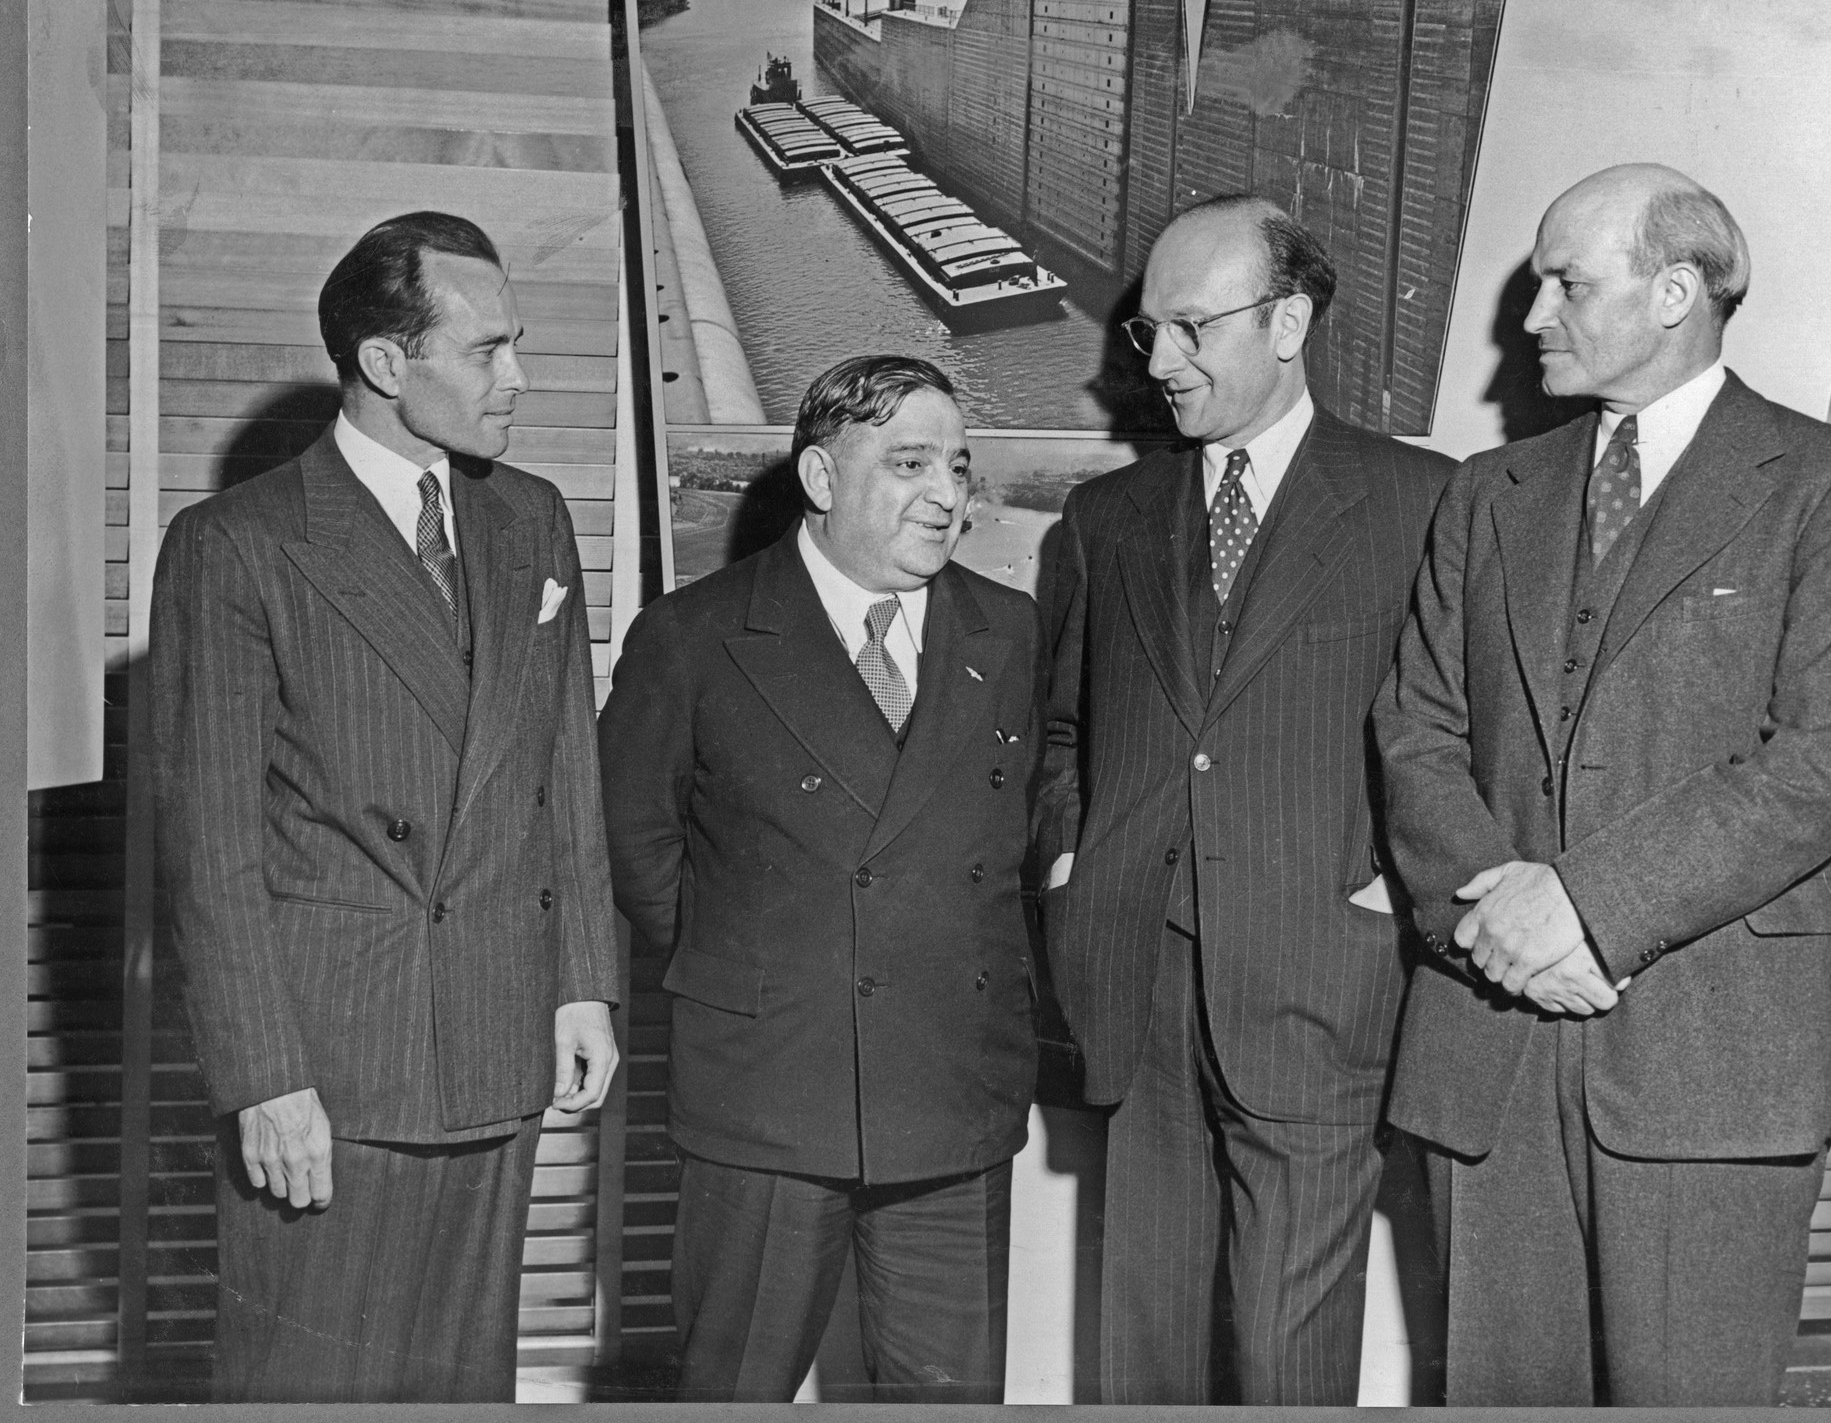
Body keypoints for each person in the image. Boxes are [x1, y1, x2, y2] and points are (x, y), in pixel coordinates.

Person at [1374, 163, 1831, 1405]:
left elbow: (1818, 760)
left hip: (1714, 1060)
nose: (1531, 317)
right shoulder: (1483, 492)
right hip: (1486, 1040)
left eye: (1566, 283)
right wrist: (1489, 920)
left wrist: (1578, 904)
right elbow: (1415, 728)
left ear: (1674, 293)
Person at [150, 210, 622, 1401]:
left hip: (493, 1036)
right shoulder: (236, 545)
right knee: (307, 1386)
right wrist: (263, 1075)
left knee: (462, 1386)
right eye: (488, 350)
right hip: (332, 1068)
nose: (519, 376)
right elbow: (209, 848)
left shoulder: (533, 521)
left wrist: (582, 978)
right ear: (384, 364)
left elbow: (562, 767)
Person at [1036, 196, 1452, 1404]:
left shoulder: (1419, 501)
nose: (1158, 361)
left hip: (1323, 976)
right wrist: (1071, 859)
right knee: (1145, 1348)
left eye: (1189, 328)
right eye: (1145, 333)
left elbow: (1461, 734)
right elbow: (1061, 727)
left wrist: (1386, 884)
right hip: (1138, 977)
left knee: (1286, 1347)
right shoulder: (1104, 518)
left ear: (1288, 321)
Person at [597, 356, 1043, 1404]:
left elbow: (1018, 828)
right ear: (819, 475)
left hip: (951, 1092)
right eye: (909, 463)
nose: (947, 493)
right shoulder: (694, 633)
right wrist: (753, 965)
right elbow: (631, 841)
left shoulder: (1007, 630)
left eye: (959, 466)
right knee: (733, 1391)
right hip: (767, 1092)